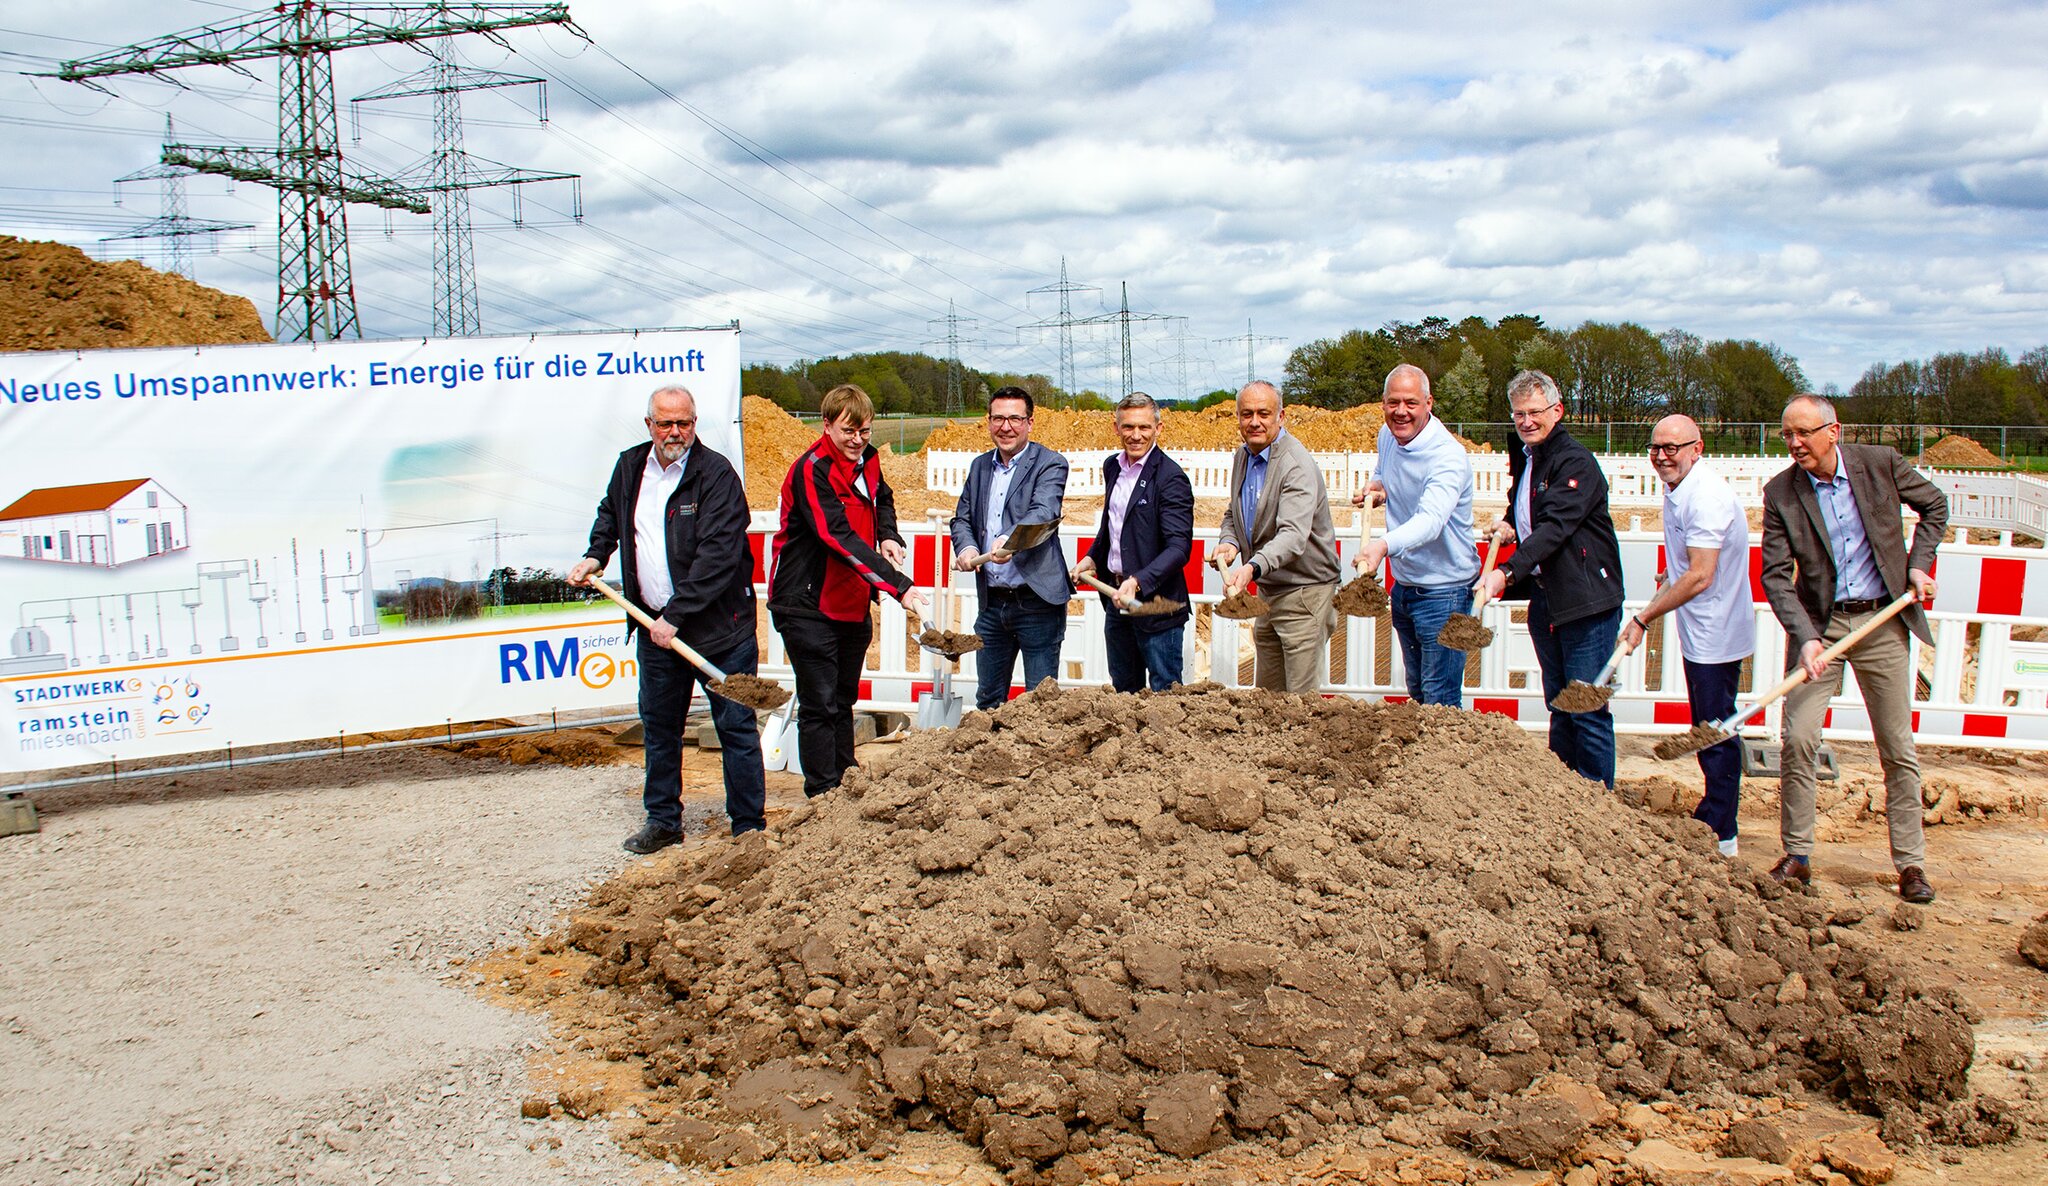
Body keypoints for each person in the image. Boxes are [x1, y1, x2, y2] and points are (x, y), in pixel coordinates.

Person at [1760, 394, 1947, 903]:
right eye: (1787, 435)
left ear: (1833, 431)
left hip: (1882, 620)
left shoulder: (1879, 465)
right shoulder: (1781, 492)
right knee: (1798, 737)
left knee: (1896, 746)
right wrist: (1805, 637)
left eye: (1803, 433)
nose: (1795, 444)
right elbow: (1775, 577)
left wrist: (1919, 563)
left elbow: (1935, 504)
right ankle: (1797, 856)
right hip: (1821, 627)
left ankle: (1910, 864)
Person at [569, 385, 764, 854]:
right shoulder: (630, 467)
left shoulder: (715, 475)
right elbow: (610, 518)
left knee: (735, 726)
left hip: (721, 629)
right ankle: (663, 820)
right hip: (658, 631)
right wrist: (596, 556)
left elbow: (717, 557)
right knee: (660, 728)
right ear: (649, 425)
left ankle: (748, 827)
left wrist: (675, 616)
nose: (676, 432)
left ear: (695, 423)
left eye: (685, 423)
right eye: (666, 423)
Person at [767, 383, 928, 799]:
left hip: (851, 599)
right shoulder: (811, 470)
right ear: (827, 425)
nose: (857, 441)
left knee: (842, 695)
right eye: (848, 431)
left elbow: (884, 498)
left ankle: (846, 777)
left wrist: (887, 533)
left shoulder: (869, 461)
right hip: (805, 600)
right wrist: (899, 587)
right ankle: (822, 792)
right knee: (819, 702)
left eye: (865, 432)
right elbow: (836, 537)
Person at [1482, 369, 1624, 788]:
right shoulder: (1529, 458)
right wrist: (1509, 525)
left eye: (1535, 412)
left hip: (1585, 600)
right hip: (1548, 597)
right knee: (1560, 705)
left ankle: (1597, 799)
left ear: (1557, 411)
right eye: (1519, 414)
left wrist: (1507, 572)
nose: (1526, 421)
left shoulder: (1575, 461)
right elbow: (1528, 510)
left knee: (1585, 707)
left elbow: (1555, 526)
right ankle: (1566, 796)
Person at [1622, 415, 1753, 857]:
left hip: (1716, 629)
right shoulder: (1678, 488)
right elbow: (1688, 565)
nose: (1662, 456)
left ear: (1698, 448)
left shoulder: (1707, 497)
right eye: (1656, 448)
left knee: (1714, 728)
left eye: (1673, 447)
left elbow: (1700, 575)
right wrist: (1670, 573)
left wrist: (1643, 619)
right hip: (1699, 625)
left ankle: (1722, 830)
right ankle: (1716, 813)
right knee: (1707, 724)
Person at [1350, 364, 1479, 707]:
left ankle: (1444, 760)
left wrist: (1381, 545)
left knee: (1440, 697)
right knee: (1419, 690)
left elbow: (1431, 520)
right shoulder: (1387, 436)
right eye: (1393, 403)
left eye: (1411, 403)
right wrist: (1377, 489)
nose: (1401, 411)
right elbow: (1383, 472)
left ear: (1429, 404)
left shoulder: (1447, 456)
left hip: (1445, 590)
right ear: (1383, 404)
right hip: (1406, 587)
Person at [949, 385, 1071, 710]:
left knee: (1039, 705)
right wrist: (966, 548)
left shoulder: (1050, 463)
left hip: (1037, 603)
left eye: (1015, 419)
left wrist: (1010, 540)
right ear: (988, 422)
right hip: (992, 605)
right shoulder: (979, 467)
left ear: (1030, 422)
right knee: (988, 701)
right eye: (998, 419)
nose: (1006, 427)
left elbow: (1043, 512)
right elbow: (962, 518)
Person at [1216, 380, 1341, 694]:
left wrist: (1251, 568)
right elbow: (1236, 511)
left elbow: (1293, 537)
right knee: (1269, 696)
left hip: (1304, 591)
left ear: (1281, 416)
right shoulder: (1243, 457)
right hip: (1271, 591)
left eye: (1263, 413)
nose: (1255, 422)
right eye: (1247, 414)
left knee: (1300, 699)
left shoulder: (1295, 465)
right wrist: (1230, 541)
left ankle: (1303, 745)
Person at [1074, 392, 1194, 692]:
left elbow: (1179, 548)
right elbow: (1112, 527)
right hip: (1116, 600)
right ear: (1117, 428)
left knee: (1164, 694)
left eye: (1144, 427)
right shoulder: (1112, 467)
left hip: (1156, 606)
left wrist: (1138, 581)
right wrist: (1092, 557)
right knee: (1124, 693)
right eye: (1128, 427)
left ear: (1158, 428)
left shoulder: (1170, 478)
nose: (1136, 435)